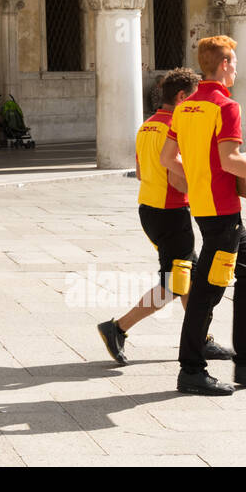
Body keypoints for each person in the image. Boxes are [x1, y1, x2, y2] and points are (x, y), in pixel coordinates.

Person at [162, 35, 246, 396]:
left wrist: (197, 178)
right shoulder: (225, 106)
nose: (236, 69)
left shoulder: (185, 108)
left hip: (206, 208)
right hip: (222, 212)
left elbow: (167, 158)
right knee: (207, 291)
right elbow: (230, 160)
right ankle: (192, 370)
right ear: (224, 65)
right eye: (234, 63)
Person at [97, 67, 234, 366]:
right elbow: (176, 177)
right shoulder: (177, 127)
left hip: (150, 210)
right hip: (171, 213)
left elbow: (141, 173)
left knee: (188, 277)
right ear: (182, 97)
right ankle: (117, 328)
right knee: (175, 283)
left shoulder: (146, 126)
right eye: (194, 99)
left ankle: (201, 339)